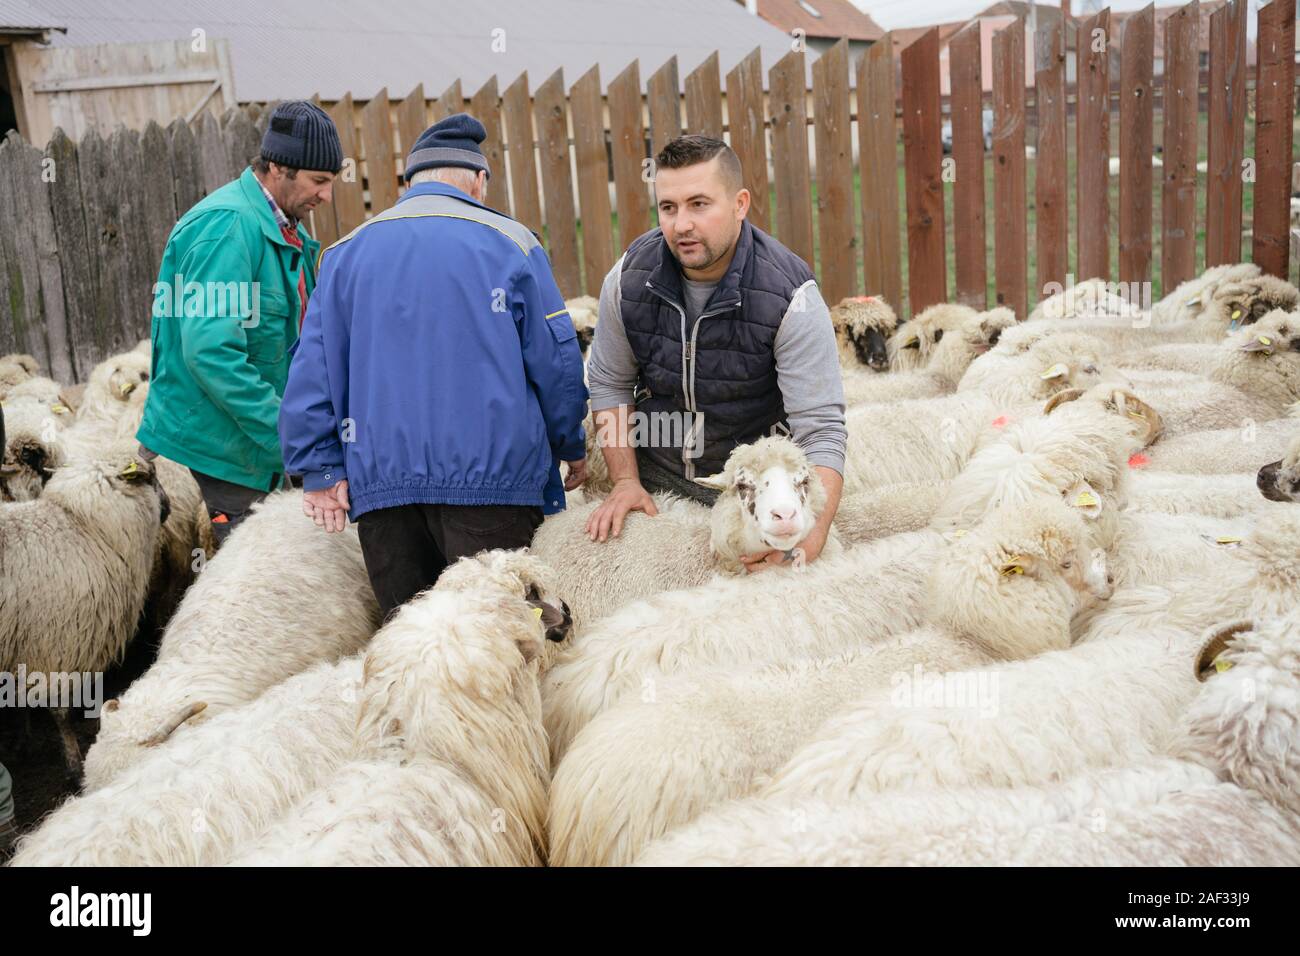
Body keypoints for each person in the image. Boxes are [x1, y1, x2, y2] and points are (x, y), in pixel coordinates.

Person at [279, 113, 588, 622]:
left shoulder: (343, 255)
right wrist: (570, 444)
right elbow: (555, 362)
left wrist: (320, 468)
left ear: (409, 183)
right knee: (496, 647)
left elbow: (311, 374)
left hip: (383, 496)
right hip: (494, 491)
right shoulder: (513, 244)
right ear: (478, 180)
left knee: (415, 652)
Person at [584, 134, 846, 571]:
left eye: (699, 204)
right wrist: (625, 479)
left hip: (753, 487)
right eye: (668, 207)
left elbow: (820, 427)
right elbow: (610, 382)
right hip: (656, 473)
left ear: (740, 204)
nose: (681, 224)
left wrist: (811, 533)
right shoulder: (629, 278)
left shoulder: (789, 295)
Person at [136, 101, 342, 545]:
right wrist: (290, 439)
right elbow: (211, 352)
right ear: (277, 167)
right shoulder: (229, 228)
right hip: (230, 443)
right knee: (256, 581)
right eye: (319, 181)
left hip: (261, 439)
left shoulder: (286, 229)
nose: (327, 196)